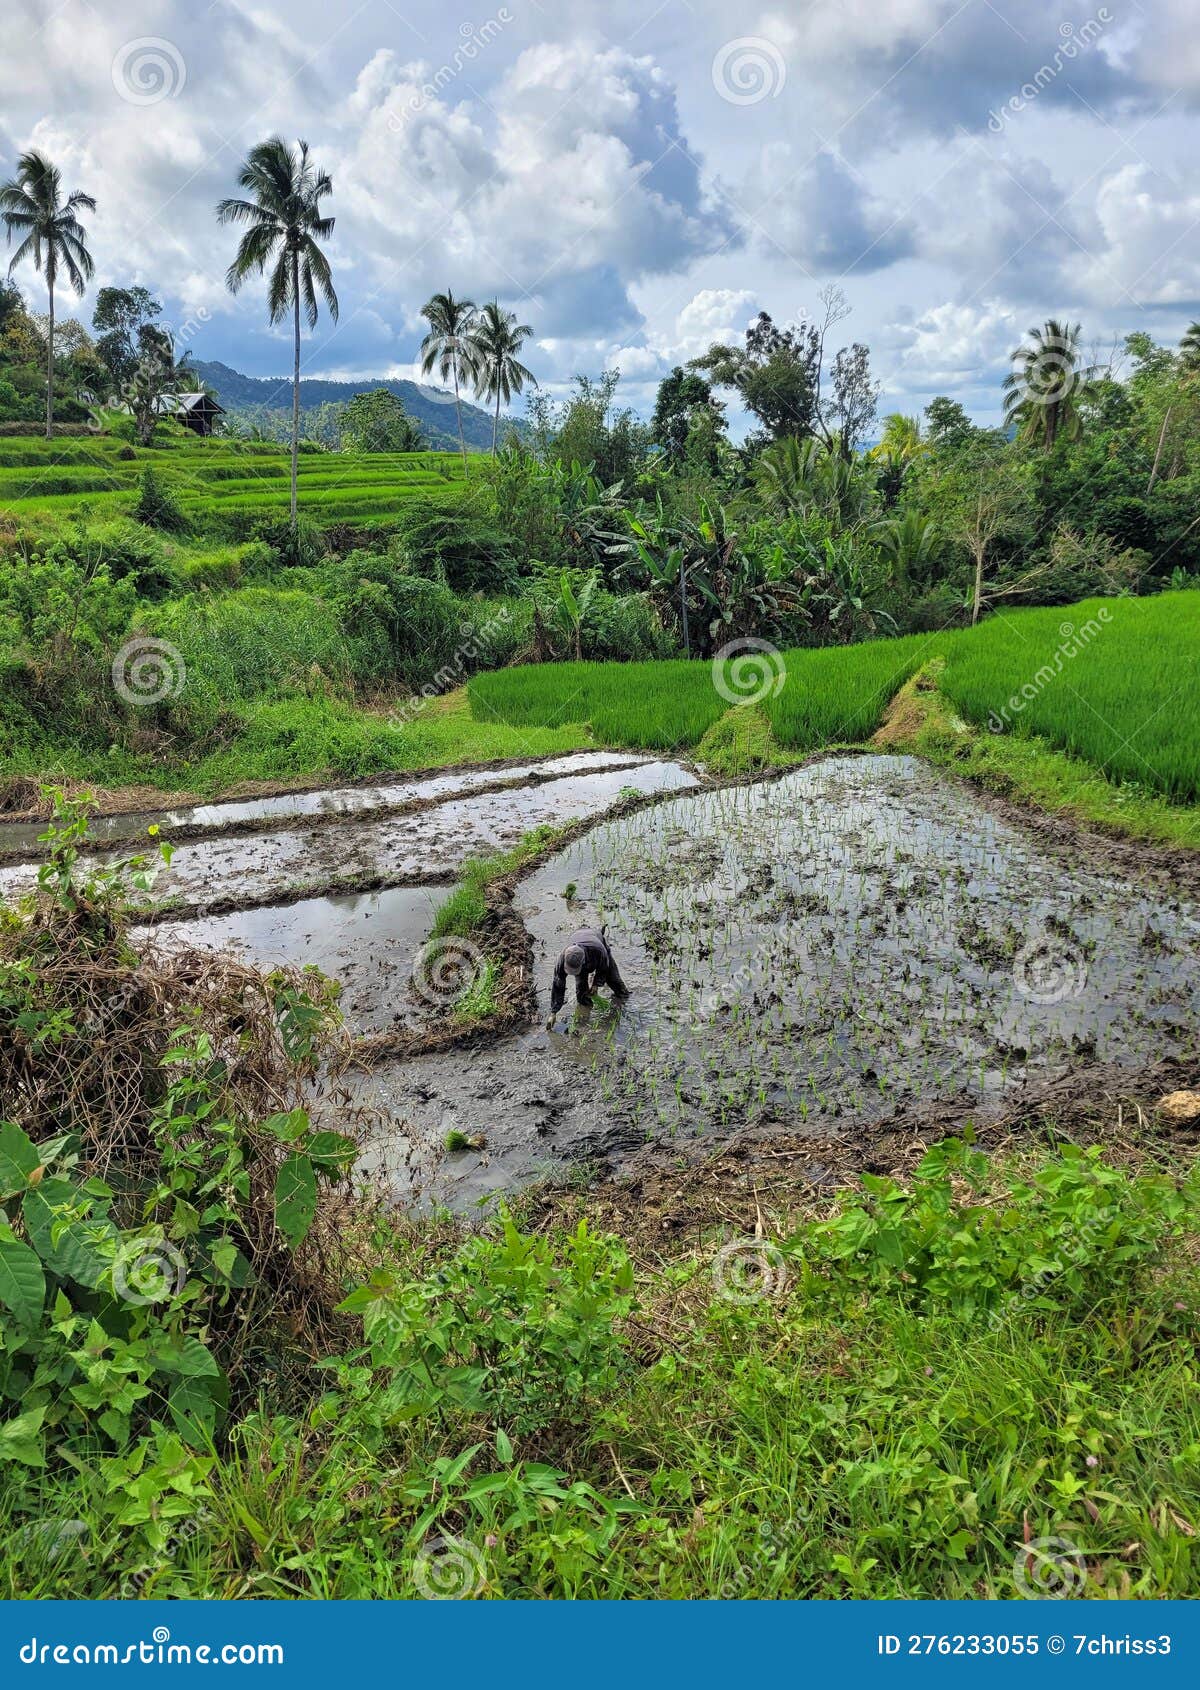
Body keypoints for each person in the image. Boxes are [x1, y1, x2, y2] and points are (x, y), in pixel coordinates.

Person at [548, 925, 629, 1022]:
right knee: (581, 989)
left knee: (614, 979)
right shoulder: (562, 959)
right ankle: (585, 1010)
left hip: (595, 941)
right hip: (578, 936)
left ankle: (623, 999)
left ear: (583, 962)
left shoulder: (598, 950)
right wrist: (554, 1012)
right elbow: (558, 985)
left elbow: (603, 968)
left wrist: (596, 984)